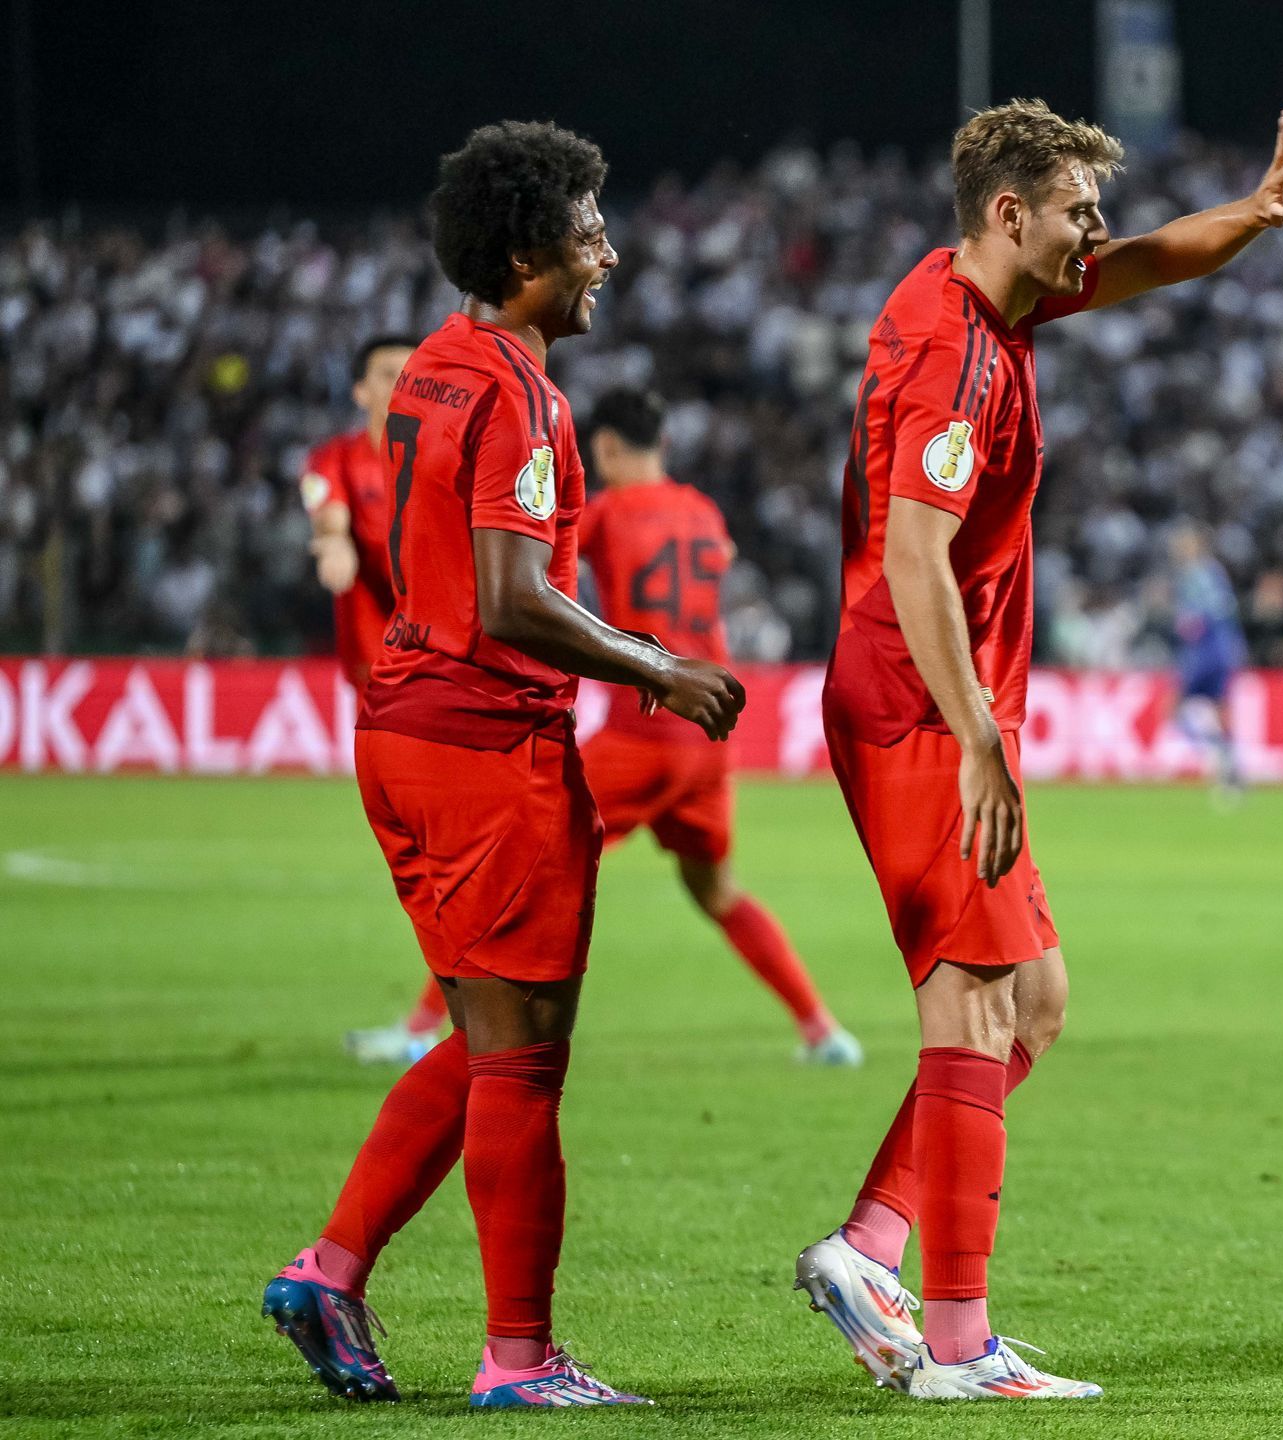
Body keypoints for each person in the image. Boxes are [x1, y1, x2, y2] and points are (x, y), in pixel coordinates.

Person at [793, 98, 1283, 1402]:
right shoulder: (955, 357)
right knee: (972, 1000)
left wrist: (1255, 215)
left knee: (1036, 1004)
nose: (1098, 229)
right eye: (1078, 209)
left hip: (935, 700)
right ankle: (959, 1347)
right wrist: (976, 737)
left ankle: (870, 1248)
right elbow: (915, 557)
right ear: (1010, 214)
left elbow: (1145, 263)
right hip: (920, 704)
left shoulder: (989, 294)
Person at [259, 121, 744, 1409]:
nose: (608, 257)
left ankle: (331, 1269)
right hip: (486, 745)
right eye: (588, 235)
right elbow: (513, 596)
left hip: (402, 732)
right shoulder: (523, 396)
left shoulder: (432, 365)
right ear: (527, 258)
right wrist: (656, 665)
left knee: (489, 1039)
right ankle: (519, 1359)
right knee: (524, 1057)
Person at [577, 387, 862, 1065]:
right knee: (716, 890)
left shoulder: (605, 512)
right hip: (709, 729)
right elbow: (721, 558)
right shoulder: (702, 510)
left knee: (525, 866)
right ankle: (823, 1031)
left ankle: (423, 1030)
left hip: (642, 729)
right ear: (663, 444)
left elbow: (542, 575)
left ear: (606, 447)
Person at [304, 335, 459, 1069]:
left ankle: (444, 1024)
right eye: (388, 374)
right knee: (432, 867)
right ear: (360, 391)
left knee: (440, 865)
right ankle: (451, 1018)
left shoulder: (442, 458)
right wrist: (332, 546)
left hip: (435, 683)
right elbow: (328, 517)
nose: (402, 385)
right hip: (379, 683)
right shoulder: (334, 460)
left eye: (412, 374)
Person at [1166, 520, 1247, 805]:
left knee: (1174, 709)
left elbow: (1194, 622)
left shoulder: (1192, 575)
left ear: (1194, 546)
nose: (1178, 550)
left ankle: (1219, 760)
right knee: (1219, 708)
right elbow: (1227, 611)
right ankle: (1230, 768)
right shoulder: (1215, 571)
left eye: (1182, 544)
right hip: (1225, 648)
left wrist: (1179, 628)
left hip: (1205, 650)